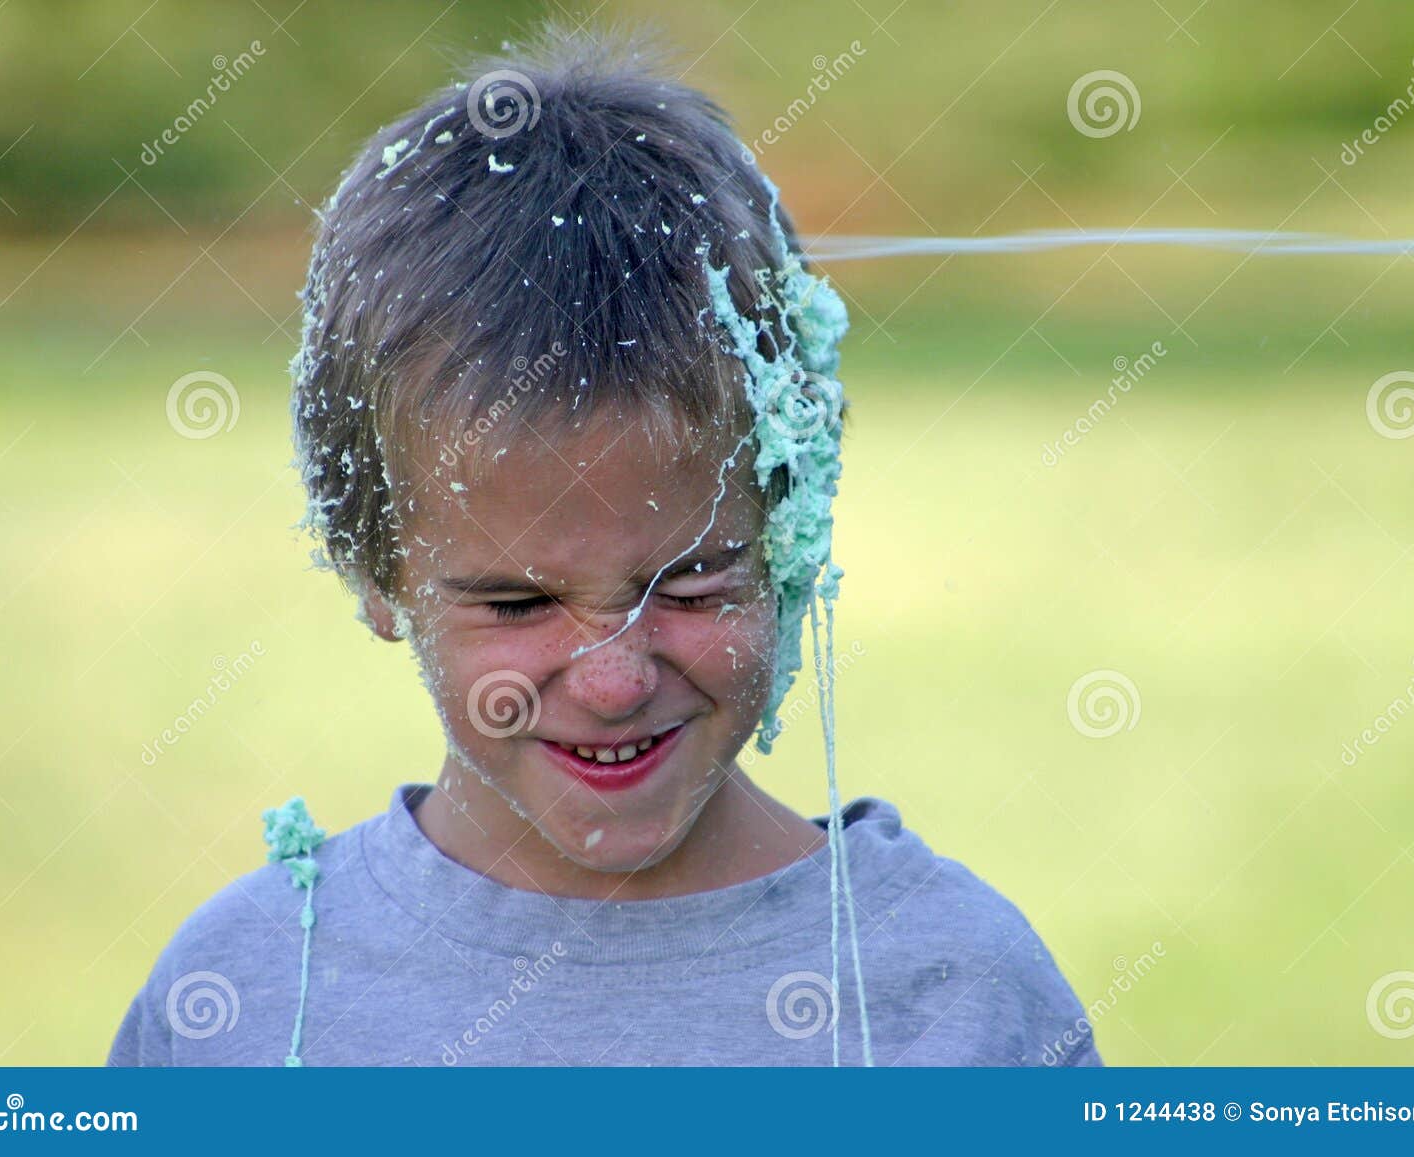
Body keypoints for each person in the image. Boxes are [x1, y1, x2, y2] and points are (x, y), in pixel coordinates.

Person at [106, 19, 1099, 1068]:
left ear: (792, 532)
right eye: (518, 603)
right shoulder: (248, 993)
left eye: (692, 583)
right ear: (373, 564)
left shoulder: (949, 995)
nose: (616, 678)